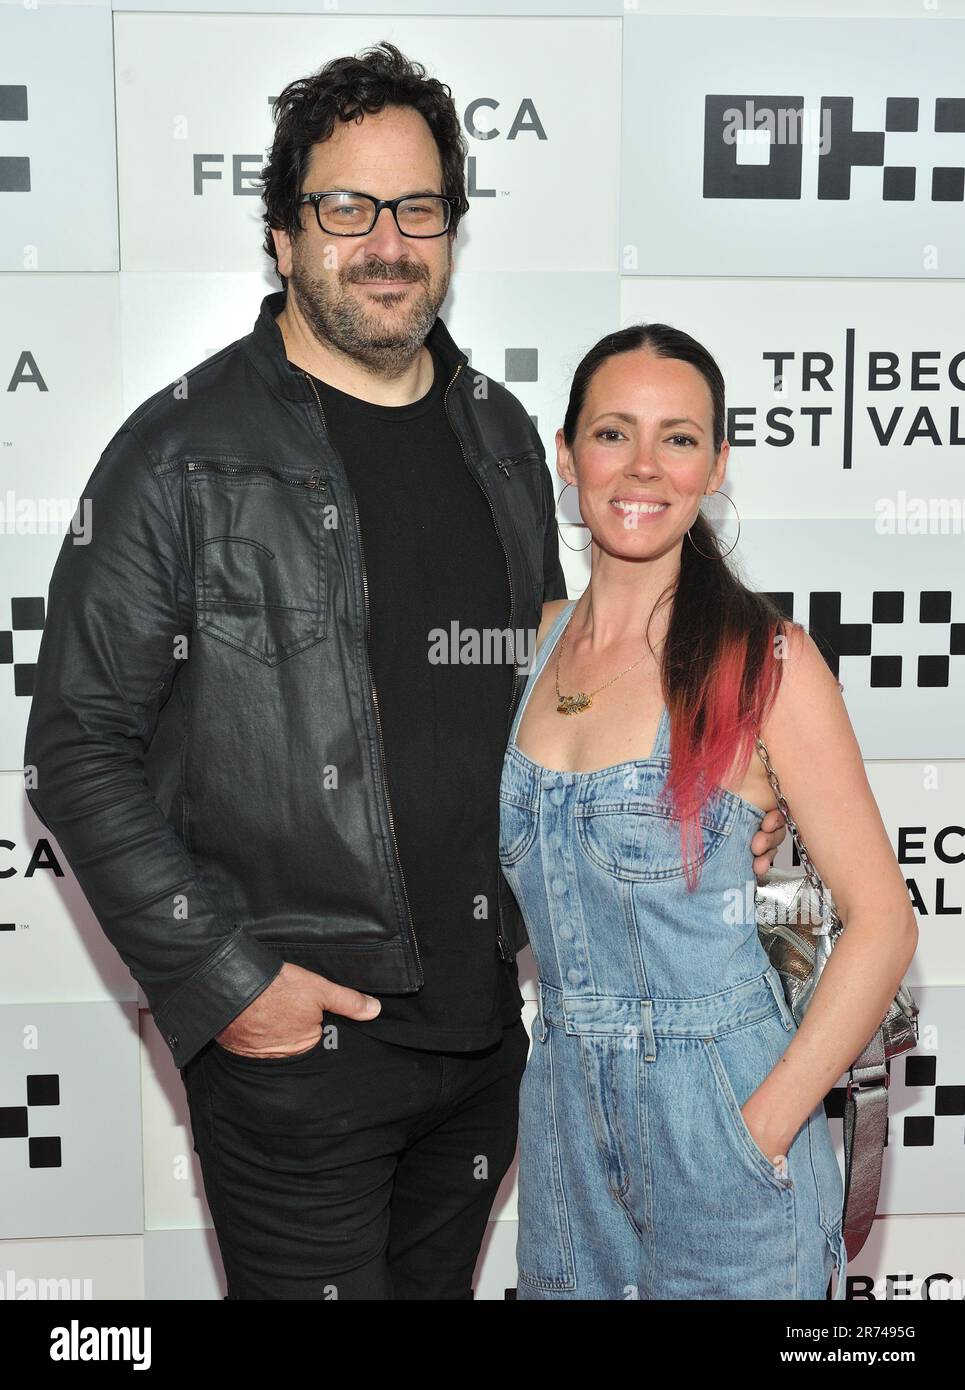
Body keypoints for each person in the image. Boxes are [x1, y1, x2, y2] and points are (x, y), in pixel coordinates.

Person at [22, 45, 787, 1300]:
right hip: (300, 1046)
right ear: (283, 236)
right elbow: (76, 747)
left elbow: (557, 686)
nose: (386, 240)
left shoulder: (493, 432)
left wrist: (699, 797)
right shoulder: (179, 454)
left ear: (450, 229)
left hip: (486, 1040)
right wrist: (232, 983)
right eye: (346, 208)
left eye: (417, 207)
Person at [499, 323, 919, 1300]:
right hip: (560, 1121)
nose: (642, 466)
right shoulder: (531, 647)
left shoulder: (761, 661)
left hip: (719, 1113)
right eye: (612, 433)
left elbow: (880, 920)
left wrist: (755, 1129)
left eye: (677, 438)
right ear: (566, 454)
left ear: (715, 464)